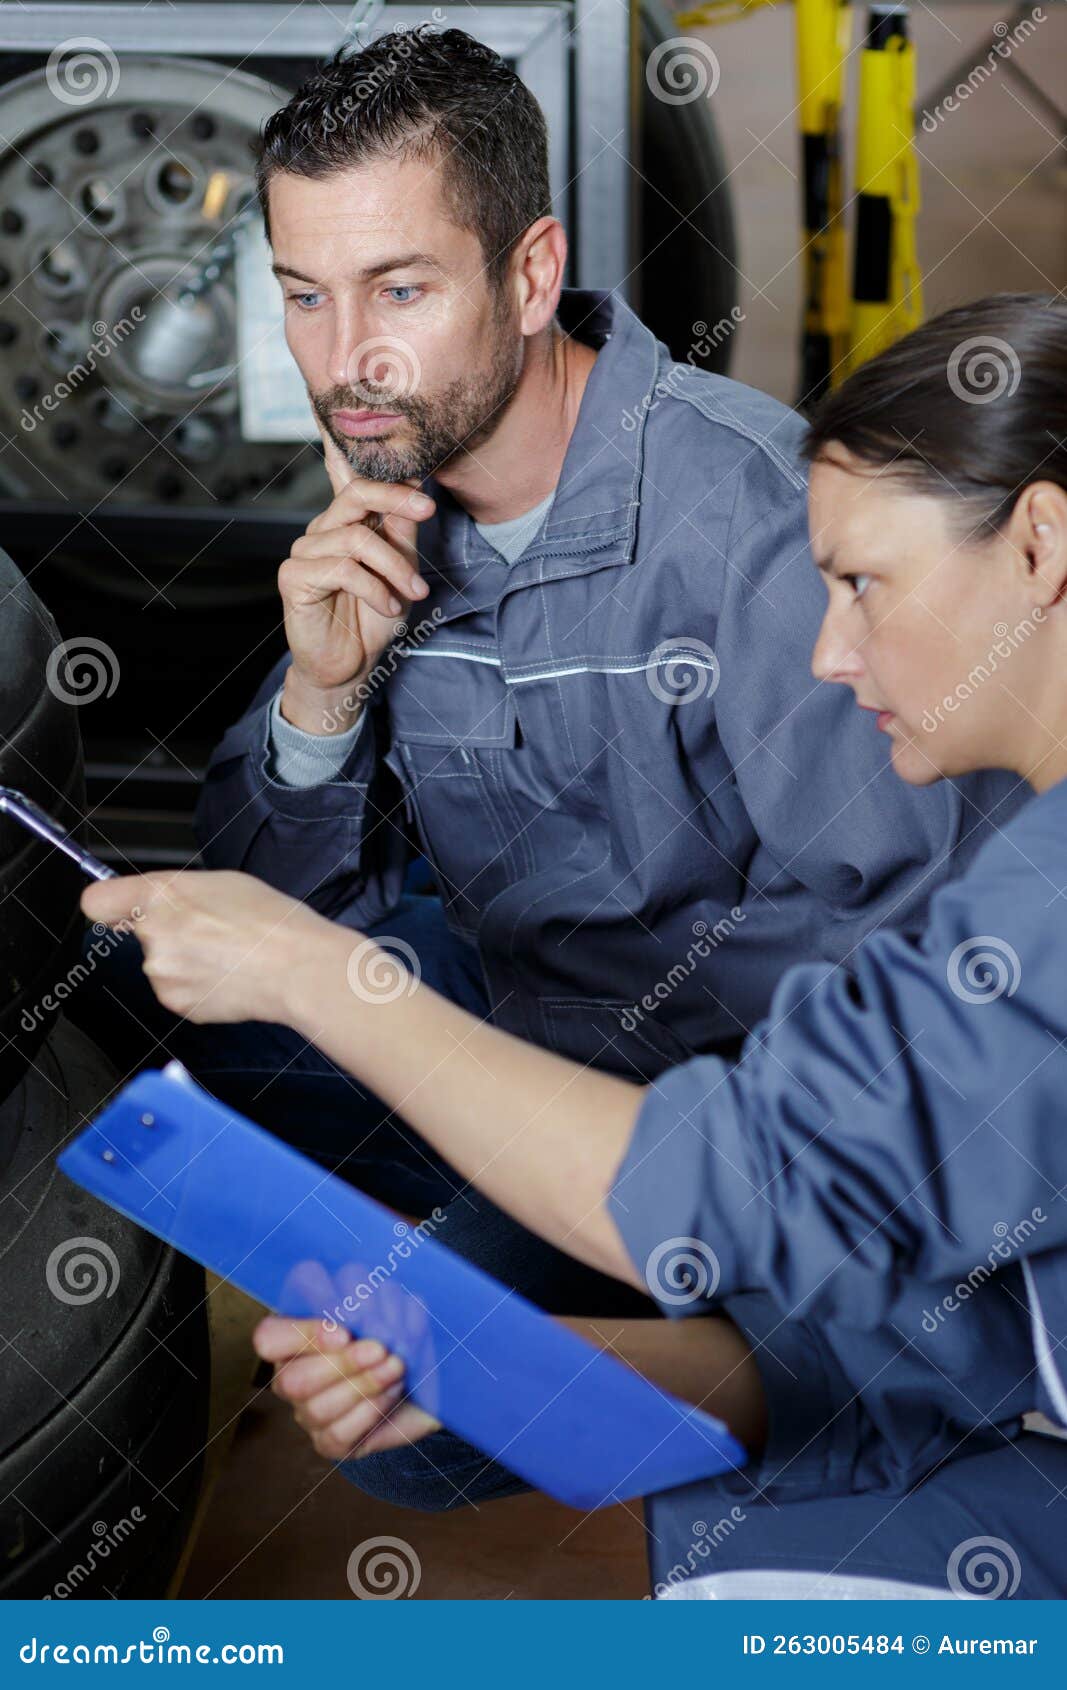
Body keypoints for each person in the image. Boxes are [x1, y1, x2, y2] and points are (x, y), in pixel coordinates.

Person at [71, 26, 1020, 1513]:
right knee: (113, 996)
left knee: (428, 1423)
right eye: (305, 298)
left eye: (401, 290)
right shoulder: (387, 512)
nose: (349, 362)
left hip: (694, 1114)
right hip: (500, 1003)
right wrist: (323, 690)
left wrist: (541, 1124)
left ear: (529, 275)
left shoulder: (758, 527)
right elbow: (279, 915)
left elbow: (886, 998)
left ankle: (656, 1320)